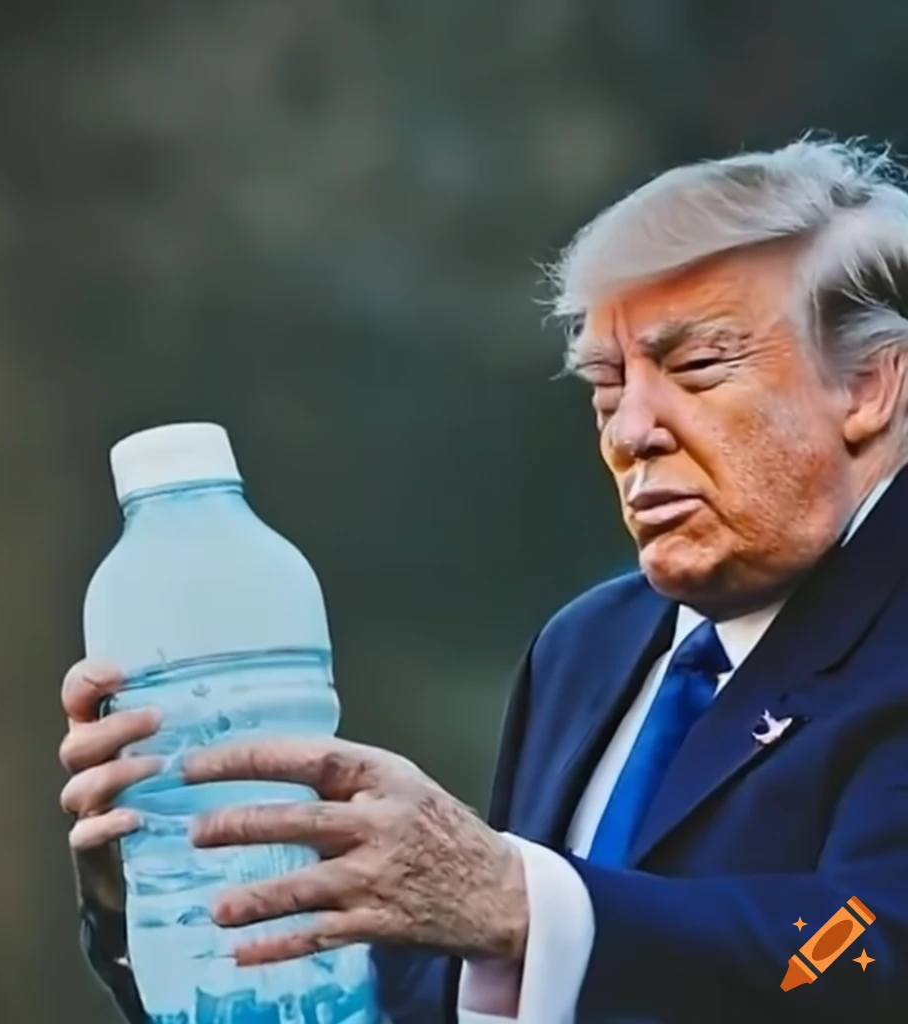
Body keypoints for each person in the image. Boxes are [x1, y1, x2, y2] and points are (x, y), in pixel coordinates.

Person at [59, 137, 908, 1023]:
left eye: (696, 367)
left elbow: (873, 956)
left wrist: (524, 902)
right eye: (608, 384)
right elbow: (471, 993)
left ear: (869, 386)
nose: (632, 431)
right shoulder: (589, 646)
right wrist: (186, 898)